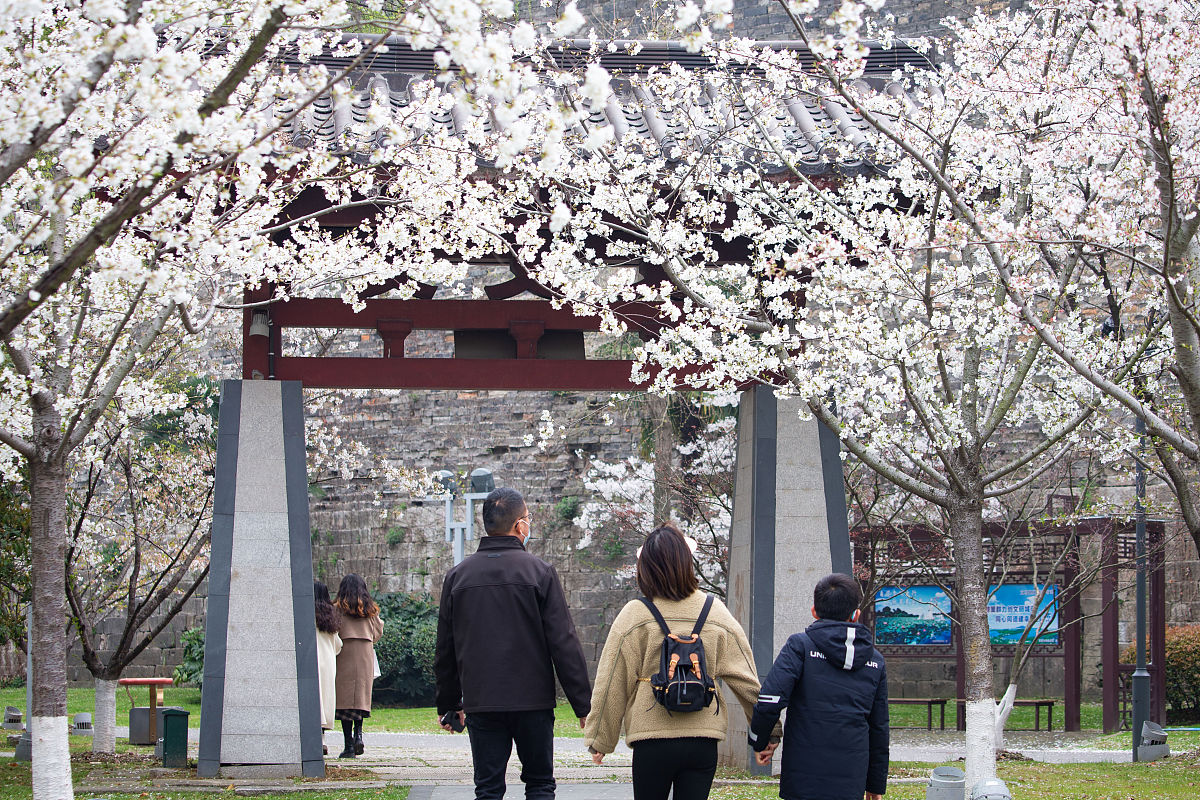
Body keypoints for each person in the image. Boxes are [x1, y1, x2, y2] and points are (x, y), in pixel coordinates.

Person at [434, 487, 592, 800]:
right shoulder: (540, 572)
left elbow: (446, 649)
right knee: (540, 784)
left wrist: (450, 704)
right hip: (533, 701)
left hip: (482, 701)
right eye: (528, 519)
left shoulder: (457, 577)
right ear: (520, 526)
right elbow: (563, 642)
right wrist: (582, 704)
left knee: (488, 788)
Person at [584, 524, 763, 800]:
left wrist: (600, 739)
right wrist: (766, 733)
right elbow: (746, 679)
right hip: (702, 737)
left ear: (646, 568)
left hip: (652, 739)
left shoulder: (635, 615)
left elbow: (611, 682)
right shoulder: (715, 612)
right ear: (686, 563)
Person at [749, 573, 889, 800]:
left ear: (814, 611)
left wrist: (762, 740)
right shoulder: (876, 660)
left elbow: (770, 700)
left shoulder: (800, 646)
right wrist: (875, 785)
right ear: (856, 615)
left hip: (803, 773)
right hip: (852, 777)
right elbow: (879, 727)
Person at [334, 573, 384, 759]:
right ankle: (359, 735)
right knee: (360, 697)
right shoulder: (370, 610)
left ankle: (348, 745)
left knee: (345, 700)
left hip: (344, 653)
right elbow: (377, 632)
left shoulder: (336, 609)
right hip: (364, 654)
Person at [314, 581, 343, 756]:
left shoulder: (304, 614)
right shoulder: (330, 615)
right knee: (325, 698)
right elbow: (338, 644)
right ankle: (322, 739)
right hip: (328, 660)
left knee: (313, 699)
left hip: (310, 659)